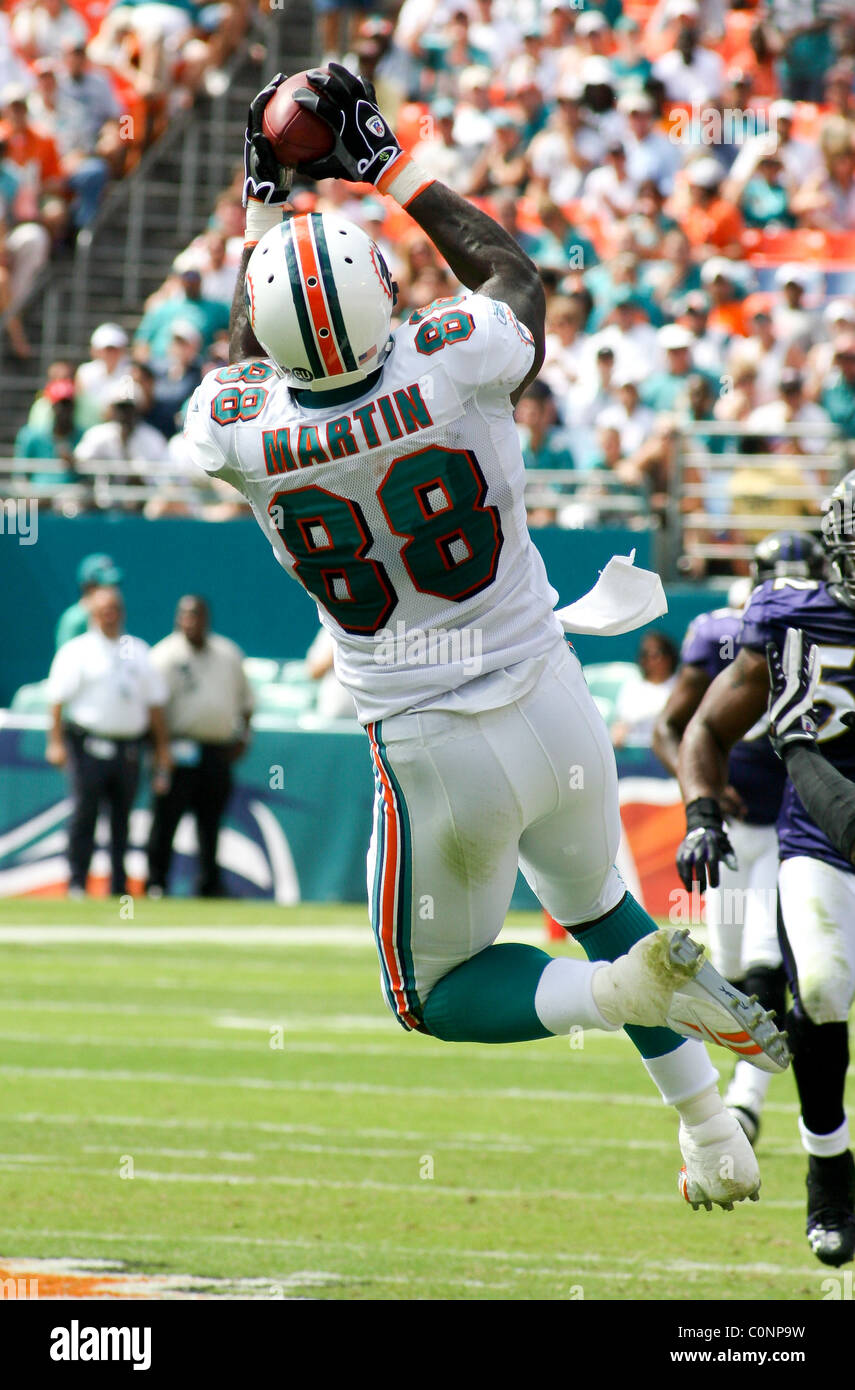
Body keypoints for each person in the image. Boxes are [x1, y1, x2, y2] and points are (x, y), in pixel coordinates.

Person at [183, 68, 791, 1211]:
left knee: (437, 993)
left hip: (428, 743)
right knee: (601, 900)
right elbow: (515, 275)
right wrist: (389, 163)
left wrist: (263, 206)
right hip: (550, 693)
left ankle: (623, 1001)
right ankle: (714, 1131)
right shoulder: (454, 355)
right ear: (381, 292)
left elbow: (246, 369)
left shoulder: (239, 432)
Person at [676, 476, 855, 1265]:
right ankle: (828, 1169)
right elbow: (705, 725)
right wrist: (701, 814)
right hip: (817, 839)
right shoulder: (794, 618)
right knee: (815, 988)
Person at [653, 533, 826, 1145]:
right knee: (726, 969)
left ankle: (745, 1102)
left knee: (765, 966)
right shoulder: (723, 633)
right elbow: (673, 728)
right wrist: (701, 795)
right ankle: (740, 1085)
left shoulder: (835, 630)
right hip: (729, 831)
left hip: (793, 827)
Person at [46, 585, 170, 897]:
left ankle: (119, 887)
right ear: (92, 613)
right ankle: (77, 882)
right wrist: (56, 741)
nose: (109, 615)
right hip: (87, 746)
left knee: (122, 820)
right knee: (84, 815)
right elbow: (57, 700)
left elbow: (155, 705)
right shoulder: (77, 651)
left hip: (128, 748)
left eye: (114, 608)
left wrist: (162, 750)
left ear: (122, 612)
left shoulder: (138, 650)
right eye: (103, 609)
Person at [146, 596, 253, 897]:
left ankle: (209, 883)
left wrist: (243, 736)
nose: (191, 622)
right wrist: (161, 750)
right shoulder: (164, 655)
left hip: (216, 750)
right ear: (178, 619)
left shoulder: (227, 653)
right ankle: (157, 881)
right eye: (186, 616)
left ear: (206, 618)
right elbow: (152, 709)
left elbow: (246, 701)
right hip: (176, 751)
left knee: (211, 822)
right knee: (166, 819)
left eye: (197, 616)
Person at [611, 631, 679, 750]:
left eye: (656, 654)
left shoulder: (680, 685)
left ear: (669, 657)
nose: (650, 660)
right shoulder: (632, 686)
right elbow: (621, 722)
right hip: (636, 758)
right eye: (645, 654)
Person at [55, 552, 123, 649]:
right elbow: (67, 658)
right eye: (105, 586)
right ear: (89, 588)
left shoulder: (113, 614)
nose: (111, 591)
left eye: (114, 586)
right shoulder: (75, 619)